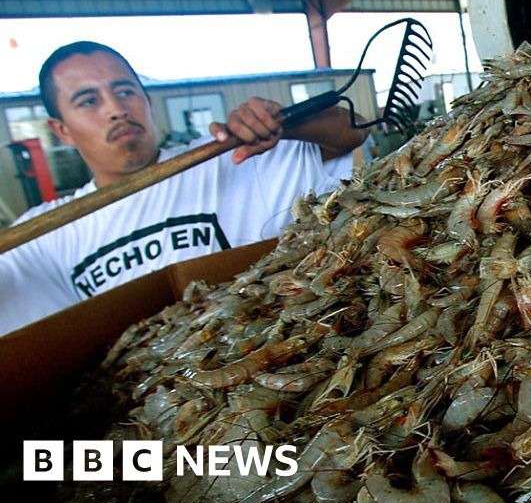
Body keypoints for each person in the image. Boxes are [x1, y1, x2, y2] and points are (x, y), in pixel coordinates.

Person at [0, 41, 367, 335]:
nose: (116, 109)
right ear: (61, 130)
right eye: (88, 101)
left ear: (147, 101)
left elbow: (352, 129)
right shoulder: (44, 235)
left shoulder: (231, 156)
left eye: (125, 91)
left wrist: (283, 123)